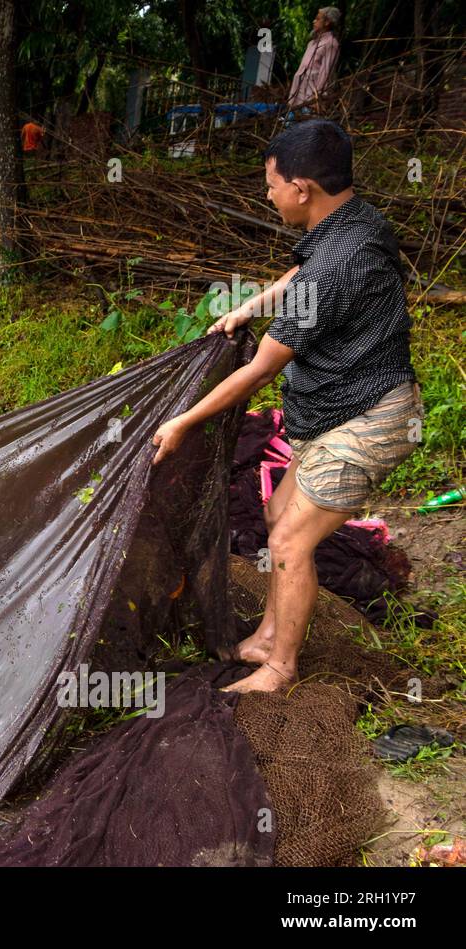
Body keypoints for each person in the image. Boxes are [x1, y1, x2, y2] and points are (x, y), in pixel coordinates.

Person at [151, 119, 419, 695]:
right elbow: (299, 273)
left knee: (291, 542)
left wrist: (183, 422)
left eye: (271, 185)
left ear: (302, 189)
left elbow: (261, 370)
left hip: (371, 419)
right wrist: (251, 305)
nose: (268, 196)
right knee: (277, 518)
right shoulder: (357, 222)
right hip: (336, 412)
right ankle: (270, 635)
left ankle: (280, 669)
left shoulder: (333, 266)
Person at [288, 7, 341, 110]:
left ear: (327, 22)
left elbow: (325, 73)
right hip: (297, 95)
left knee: (305, 124)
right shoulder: (312, 43)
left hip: (310, 97)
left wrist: (317, 98)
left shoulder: (330, 43)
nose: (314, 21)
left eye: (317, 19)